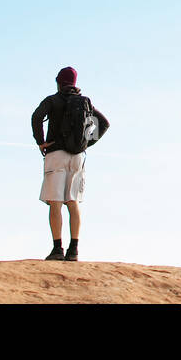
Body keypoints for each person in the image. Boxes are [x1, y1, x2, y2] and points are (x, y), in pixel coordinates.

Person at [31, 66, 109, 261]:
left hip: (56, 153)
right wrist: (86, 143)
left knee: (55, 203)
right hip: (77, 157)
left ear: (59, 82)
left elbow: (36, 117)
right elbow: (104, 123)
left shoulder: (53, 100)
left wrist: (41, 142)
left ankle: (58, 249)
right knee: (73, 202)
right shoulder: (84, 103)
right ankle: (74, 250)